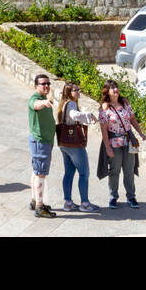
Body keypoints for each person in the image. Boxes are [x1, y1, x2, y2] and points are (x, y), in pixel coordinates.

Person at [99, 80, 143, 209]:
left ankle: (131, 197)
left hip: (128, 141)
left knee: (129, 170)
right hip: (114, 143)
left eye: (116, 87)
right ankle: (113, 196)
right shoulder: (105, 108)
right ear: (107, 91)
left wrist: (140, 133)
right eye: (112, 88)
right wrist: (107, 147)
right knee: (114, 171)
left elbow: (132, 118)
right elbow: (104, 129)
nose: (116, 90)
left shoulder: (125, 103)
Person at [55, 83, 99, 212]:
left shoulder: (63, 104)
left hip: (64, 143)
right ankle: (84, 204)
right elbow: (74, 115)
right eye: (76, 90)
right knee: (84, 173)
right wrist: (89, 115)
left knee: (68, 173)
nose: (79, 91)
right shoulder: (72, 104)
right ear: (69, 92)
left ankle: (68, 202)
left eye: (79, 89)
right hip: (74, 145)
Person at [28, 73, 58, 217]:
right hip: (41, 142)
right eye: (43, 84)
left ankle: (35, 200)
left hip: (44, 140)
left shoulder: (44, 97)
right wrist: (44, 103)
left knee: (36, 171)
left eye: (48, 83)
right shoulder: (35, 99)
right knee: (40, 173)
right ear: (36, 86)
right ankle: (40, 207)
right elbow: (34, 105)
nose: (46, 86)